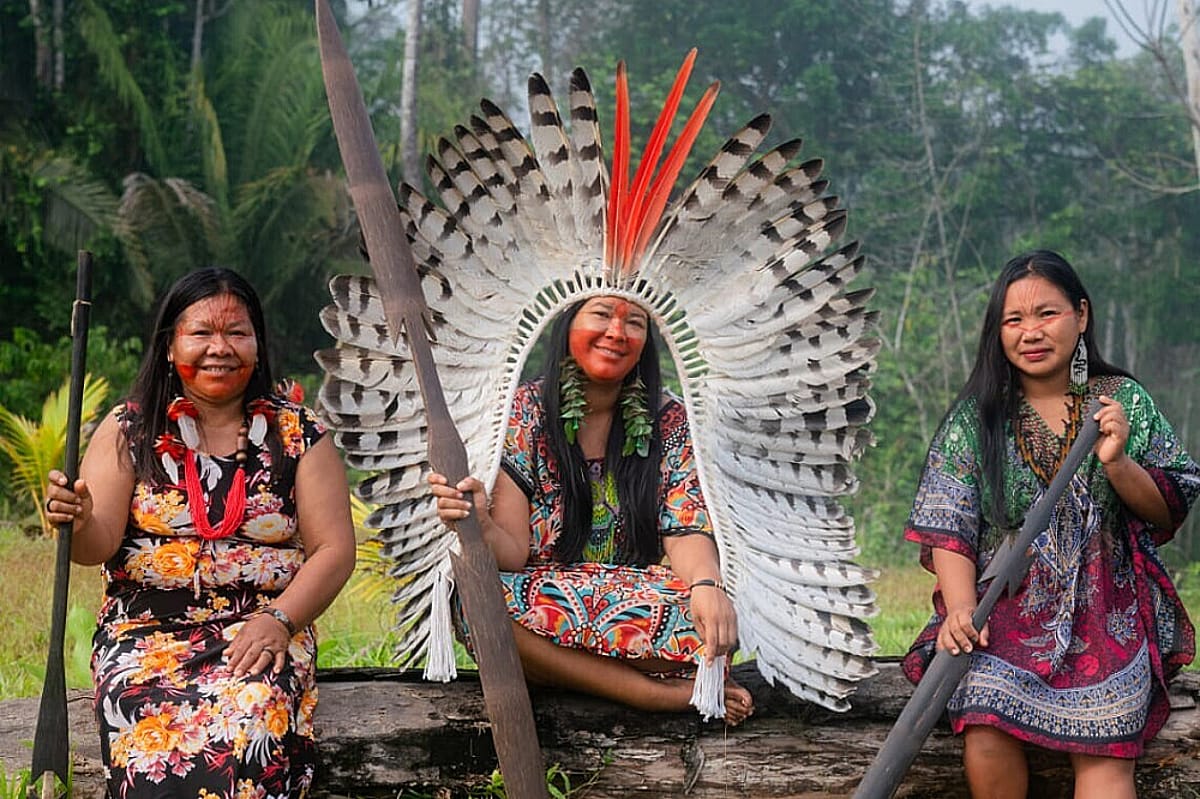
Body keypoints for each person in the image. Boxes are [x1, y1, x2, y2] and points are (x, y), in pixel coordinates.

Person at [44, 267, 356, 799]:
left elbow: (334, 550)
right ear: (170, 347)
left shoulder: (300, 435)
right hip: (142, 633)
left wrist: (280, 620)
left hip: (261, 628)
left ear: (257, 344)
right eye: (201, 334)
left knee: (256, 716)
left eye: (236, 332)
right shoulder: (130, 431)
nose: (220, 348)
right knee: (149, 731)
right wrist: (78, 517)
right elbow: (96, 546)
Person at [901, 250, 1198, 798]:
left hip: (1111, 612)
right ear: (998, 332)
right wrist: (962, 607)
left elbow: (1168, 505)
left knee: (1103, 753)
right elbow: (949, 523)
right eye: (1014, 320)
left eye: (1047, 314)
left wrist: (1117, 461)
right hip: (1005, 609)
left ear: (1081, 316)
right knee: (985, 724)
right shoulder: (976, 418)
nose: (1030, 332)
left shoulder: (1122, 400)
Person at [429, 295, 755, 725]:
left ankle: (557, 669)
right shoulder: (524, 412)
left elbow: (684, 527)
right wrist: (480, 522)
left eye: (634, 322)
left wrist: (706, 585)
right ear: (567, 327)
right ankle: (656, 695)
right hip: (535, 597)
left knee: (710, 620)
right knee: (477, 601)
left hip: (628, 596)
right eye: (601, 315)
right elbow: (510, 553)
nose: (617, 333)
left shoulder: (670, 419)